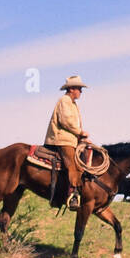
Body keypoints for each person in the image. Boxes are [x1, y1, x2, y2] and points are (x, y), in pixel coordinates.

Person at [44, 75, 90, 208]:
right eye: (79, 89)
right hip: (62, 139)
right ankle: (73, 194)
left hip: (71, 139)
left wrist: (81, 137)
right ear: (71, 89)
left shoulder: (73, 103)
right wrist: (80, 132)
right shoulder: (65, 100)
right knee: (73, 164)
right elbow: (66, 121)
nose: (81, 92)